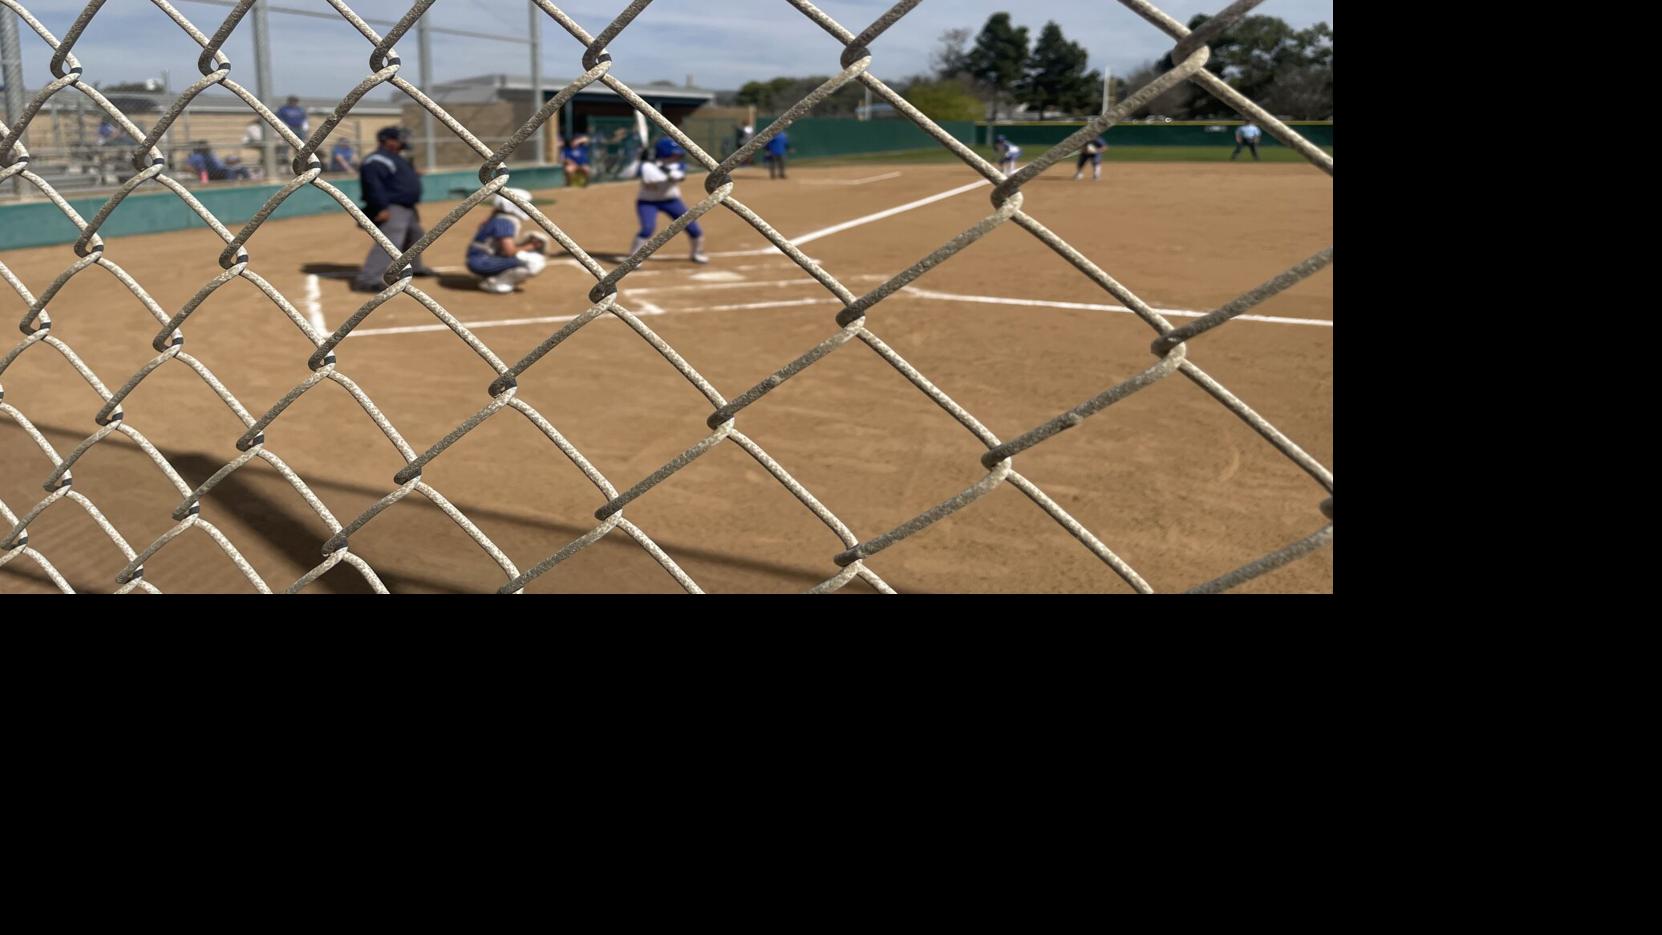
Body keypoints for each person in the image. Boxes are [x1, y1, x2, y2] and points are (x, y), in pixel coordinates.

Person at [352, 126, 434, 292]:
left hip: (407, 207)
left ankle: (415, 267)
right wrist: (380, 207)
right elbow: (372, 186)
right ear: (387, 141)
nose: (403, 142)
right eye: (398, 138)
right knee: (390, 241)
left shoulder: (395, 157)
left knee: (415, 235)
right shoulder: (376, 160)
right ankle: (368, 279)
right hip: (392, 206)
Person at [631, 137, 709, 264]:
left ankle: (697, 253)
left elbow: (678, 177)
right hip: (647, 202)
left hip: (671, 201)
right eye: (673, 153)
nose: (677, 156)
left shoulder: (678, 165)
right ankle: (633, 258)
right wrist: (639, 160)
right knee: (647, 229)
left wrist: (661, 168)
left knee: (693, 228)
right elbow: (646, 177)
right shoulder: (646, 166)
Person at [465, 188, 550, 294]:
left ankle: (492, 277)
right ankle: (495, 284)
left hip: (480, 258)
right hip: (482, 262)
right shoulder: (505, 222)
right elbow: (509, 251)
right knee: (535, 261)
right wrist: (531, 246)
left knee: (523, 255)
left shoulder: (499, 217)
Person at [186, 141, 251, 182]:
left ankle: (248, 182)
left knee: (241, 169)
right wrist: (203, 178)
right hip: (212, 173)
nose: (207, 147)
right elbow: (200, 169)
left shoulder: (211, 153)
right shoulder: (198, 156)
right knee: (228, 171)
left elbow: (219, 163)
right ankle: (230, 185)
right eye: (204, 146)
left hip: (220, 169)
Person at [276, 96, 309, 164]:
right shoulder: (283, 109)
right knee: (286, 145)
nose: (294, 103)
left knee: (300, 146)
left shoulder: (300, 109)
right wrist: (284, 127)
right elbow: (279, 118)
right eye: (292, 101)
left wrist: (305, 128)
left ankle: (299, 160)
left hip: (299, 129)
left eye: (295, 101)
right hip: (288, 128)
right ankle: (284, 159)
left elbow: (304, 119)